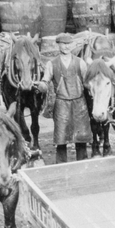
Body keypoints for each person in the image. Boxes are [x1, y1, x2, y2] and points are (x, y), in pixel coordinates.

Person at [42, 33, 91, 163]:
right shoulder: (51, 64)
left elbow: (87, 83)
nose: (66, 47)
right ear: (58, 45)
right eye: (63, 44)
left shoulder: (80, 63)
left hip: (79, 103)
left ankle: (83, 164)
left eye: (69, 44)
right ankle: (61, 166)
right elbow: (45, 81)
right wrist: (41, 85)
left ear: (73, 45)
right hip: (61, 103)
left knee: (81, 138)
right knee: (61, 139)